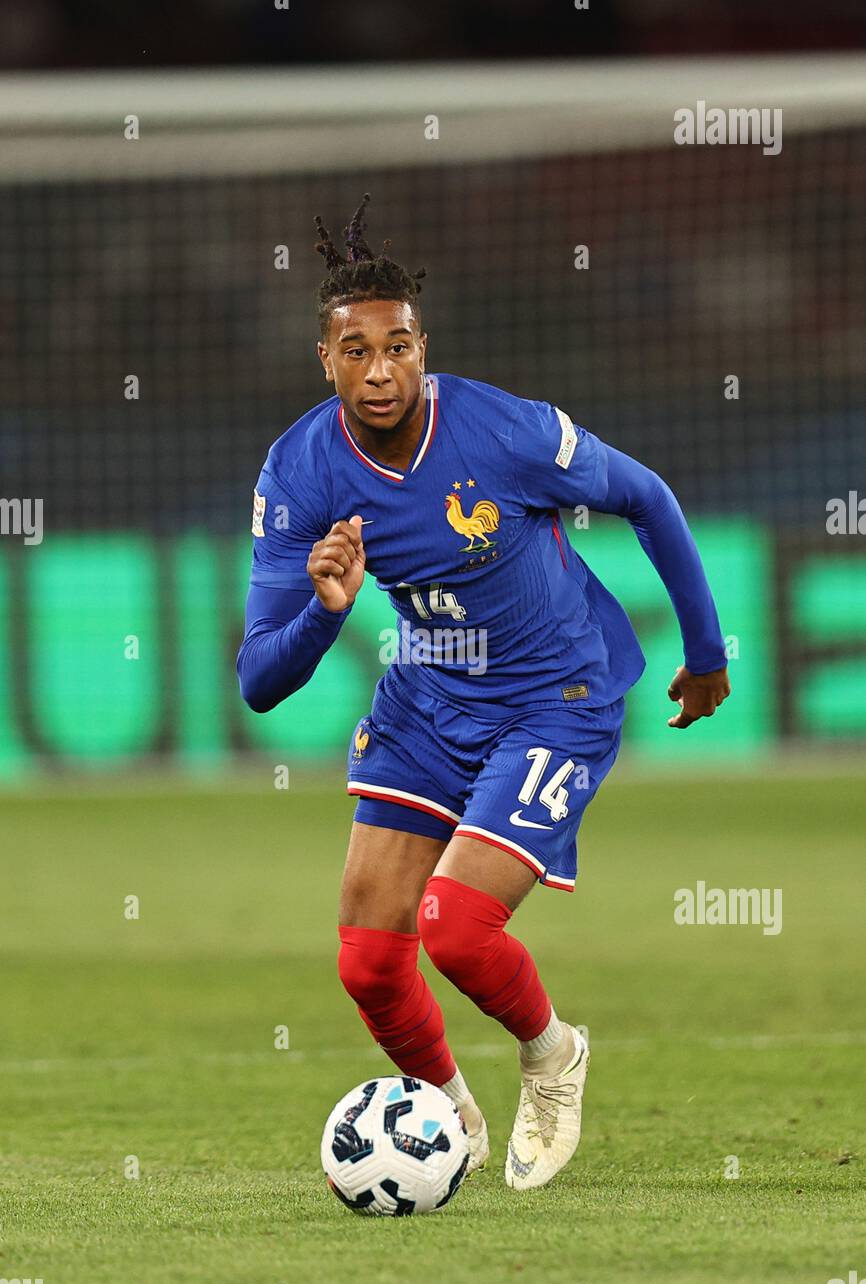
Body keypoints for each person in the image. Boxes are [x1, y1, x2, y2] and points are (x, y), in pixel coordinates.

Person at [237, 195, 731, 1191]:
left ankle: (553, 1056)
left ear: (424, 349)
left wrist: (705, 648)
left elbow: (646, 496)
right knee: (368, 965)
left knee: (455, 928)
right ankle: (447, 1122)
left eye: (399, 347)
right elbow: (258, 681)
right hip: (426, 697)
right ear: (323, 361)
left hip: (558, 695)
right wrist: (328, 611)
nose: (381, 369)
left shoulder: (505, 432)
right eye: (356, 351)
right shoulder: (298, 472)